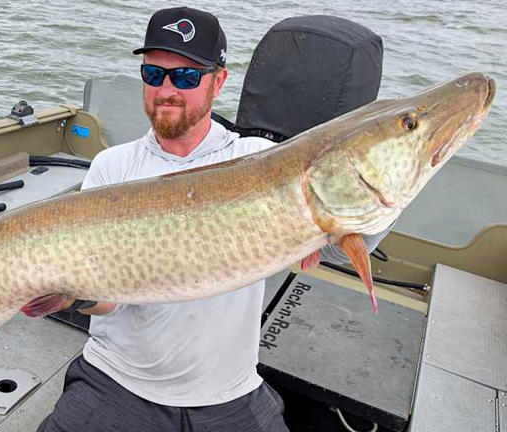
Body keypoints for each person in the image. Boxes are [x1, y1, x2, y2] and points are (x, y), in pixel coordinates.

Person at [37, 8, 385, 432]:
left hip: (229, 393)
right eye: (154, 75)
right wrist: (70, 296)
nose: (167, 90)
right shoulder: (113, 167)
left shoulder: (256, 159)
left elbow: (355, 232)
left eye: (185, 77)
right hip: (116, 380)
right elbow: (109, 302)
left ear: (218, 81)